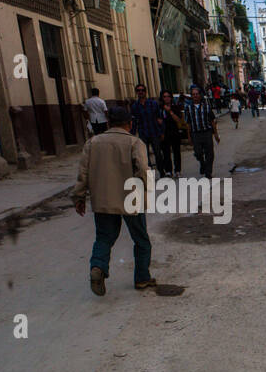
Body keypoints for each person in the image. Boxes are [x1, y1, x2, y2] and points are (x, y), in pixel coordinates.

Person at [71, 105, 155, 295]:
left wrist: (79, 197)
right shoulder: (135, 143)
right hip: (131, 199)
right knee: (141, 240)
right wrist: (148, 191)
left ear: (108, 123)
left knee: (104, 238)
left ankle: (98, 267)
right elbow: (143, 169)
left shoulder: (92, 143)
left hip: (103, 199)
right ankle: (142, 278)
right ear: (130, 124)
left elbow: (82, 174)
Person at [130, 83, 167, 177]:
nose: (140, 92)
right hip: (143, 133)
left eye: (142, 90)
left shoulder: (153, 104)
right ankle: (149, 175)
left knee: (158, 154)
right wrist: (132, 135)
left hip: (154, 132)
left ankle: (162, 171)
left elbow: (160, 118)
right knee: (145, 157)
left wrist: (162, 132)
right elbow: (134, 121)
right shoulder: (135, 106)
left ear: (145, 92)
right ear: (136, 93)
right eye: (138, 90)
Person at [183, 84, 219, 178]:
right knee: (198, 153)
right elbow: (188, 123)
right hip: (196, 134)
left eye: (197, 94)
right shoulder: (188, 108)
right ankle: (202, 163)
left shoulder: (206, 106)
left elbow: (212, 121)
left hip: (206, 132)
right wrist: (189, 136)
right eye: (193, 94)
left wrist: (216, 134)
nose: (195, 96)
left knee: (210, 153)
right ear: (191, 96)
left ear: (200, 95)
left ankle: (208, 172)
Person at [159, 90, 186, 176]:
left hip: (174, 132)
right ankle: (168, 170)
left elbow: (178, 120)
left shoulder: (175, 107)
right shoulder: (160, 108)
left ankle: (177, 170)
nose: (166, 98)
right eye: (164, 97)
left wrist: (170, 111)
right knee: (166, 153)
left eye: (168, 96)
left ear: (171, 98)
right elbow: (158, 119)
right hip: (164, 133)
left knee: (176, 152)